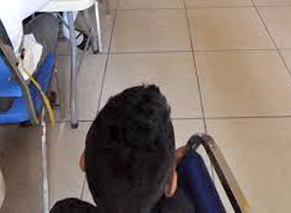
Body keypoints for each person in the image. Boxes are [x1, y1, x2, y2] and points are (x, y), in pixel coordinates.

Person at [51, 85, 194, 213]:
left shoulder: (65, 209)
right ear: (170, 186)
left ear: (83, 161)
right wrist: (163, 170)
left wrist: (164, 169)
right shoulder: (181, 207)